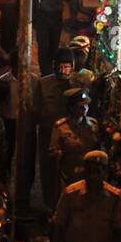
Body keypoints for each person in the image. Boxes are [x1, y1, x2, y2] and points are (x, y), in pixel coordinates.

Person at [35, 48, 75, 211]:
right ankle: (51, 208)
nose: (62, 71)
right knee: (48, 173)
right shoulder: (43, 84)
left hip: (71, 138)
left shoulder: (78, 83)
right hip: (47, 135)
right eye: (59, 66)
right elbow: (36, 110)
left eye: (66, 67)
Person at [48, 88, 102, 192]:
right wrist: (58, 154)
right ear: (71, 107)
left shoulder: (93, 125)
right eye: (80, 106)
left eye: (86, 105)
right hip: (68, 176)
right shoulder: (61, 127)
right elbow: (52, 150)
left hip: (89, 176)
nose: (85, 109)